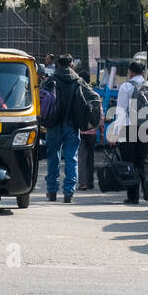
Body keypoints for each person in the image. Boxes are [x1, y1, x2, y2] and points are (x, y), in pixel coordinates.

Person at [107, 60, 148, 203]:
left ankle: (133, 197)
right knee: (142, 159)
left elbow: (121, 111)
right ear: (143, 72)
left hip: (129, 128)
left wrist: (115, 133)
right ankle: (147, 180)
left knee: (130, 163)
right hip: (146, 128)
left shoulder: (126, 87)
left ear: (130, 72)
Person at [42, 54, 82, 202]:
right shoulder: (78, 81)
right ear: (71, 65)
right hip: (72, 125)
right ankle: (69, 193)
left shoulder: (51, 80)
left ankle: (52, 191)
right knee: (72, 157)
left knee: (53, 157)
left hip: (53, 124)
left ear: (57, 64)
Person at [76, 66, 101, 190]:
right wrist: (101, 131)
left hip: (81, 130)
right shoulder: (95, 94)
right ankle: (90, 182)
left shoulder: (78, 94)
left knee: (81, 158)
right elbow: (100, 115)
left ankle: (83, 183)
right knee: (90, 158)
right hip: (92, 132)